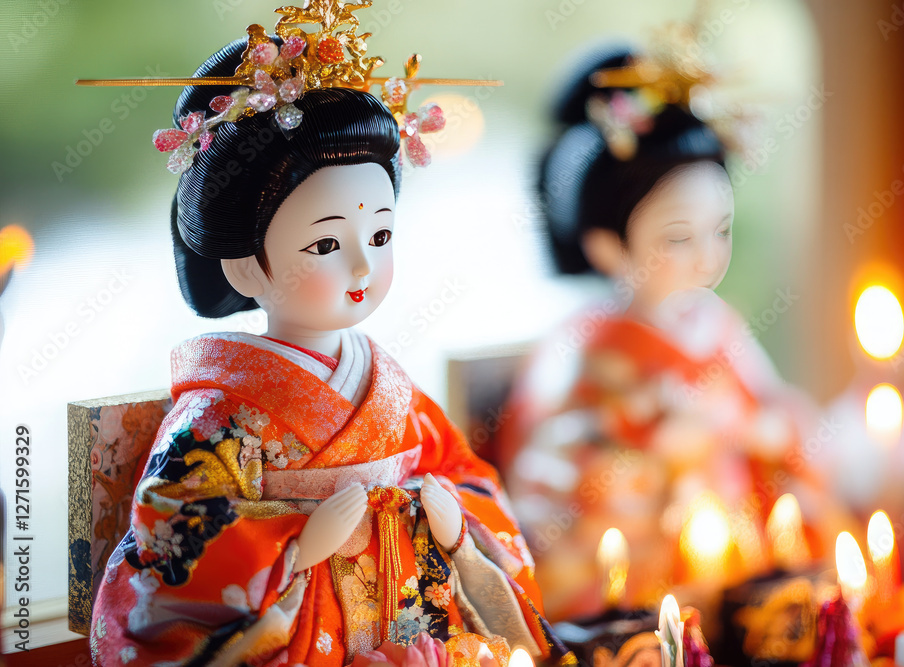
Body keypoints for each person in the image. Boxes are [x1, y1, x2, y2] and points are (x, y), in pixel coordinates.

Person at [88, 20, 570, 667]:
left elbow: (464, 472)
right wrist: (295, 543)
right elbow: (170, 542)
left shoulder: (392, 390)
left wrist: (456, 518)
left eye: (379, 236)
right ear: (244, 266)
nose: (364, 269)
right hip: (304, 635)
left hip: (416, 618)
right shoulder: (217, 418)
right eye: (325, 245)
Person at [497, 45, 835, 621]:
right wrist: (661, 449)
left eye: (721, 230)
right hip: (645, 586)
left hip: (741, 566)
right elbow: (556, 484)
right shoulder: (582, 354)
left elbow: (780, 415)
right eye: (679, 240)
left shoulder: (717, 326)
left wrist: (768, 428)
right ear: (608, 246)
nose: (707, 259)